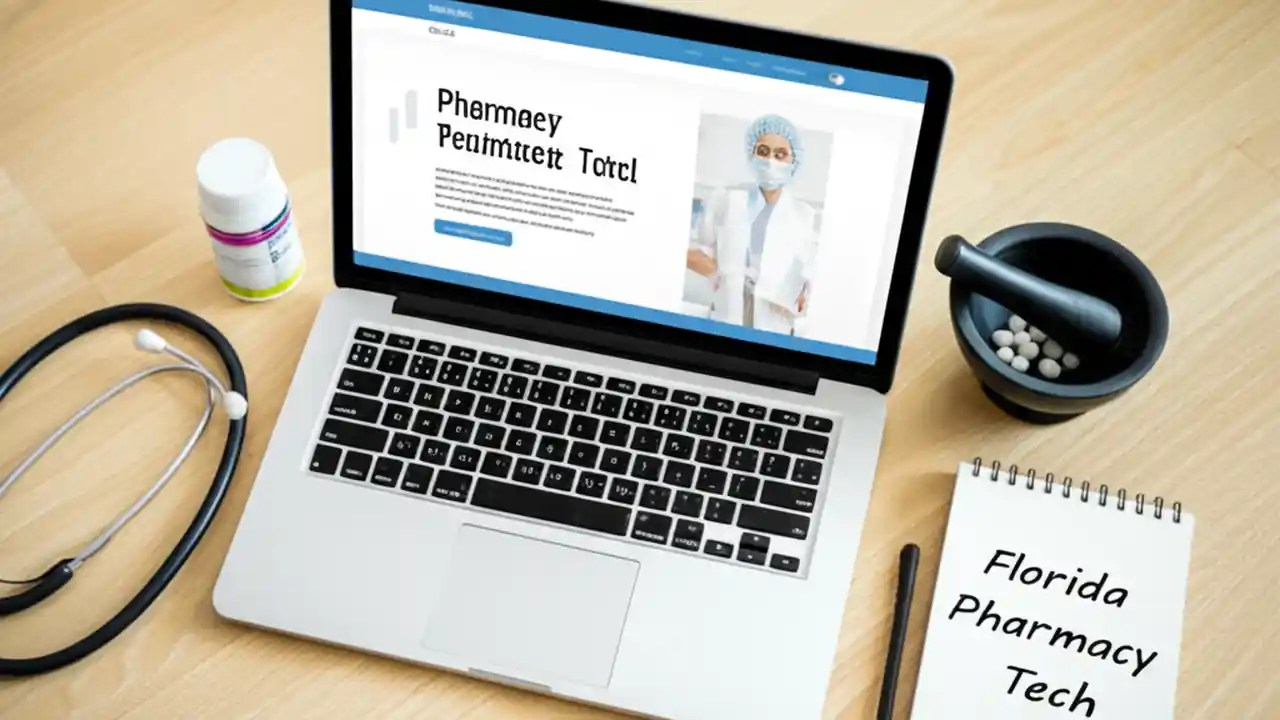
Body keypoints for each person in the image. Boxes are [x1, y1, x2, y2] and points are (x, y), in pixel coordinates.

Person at [687, 114, 819, 334]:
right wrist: (722, 275)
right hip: (725, 316)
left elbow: (810, 275)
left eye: (780, 154)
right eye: (763, 152)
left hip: (776, 325)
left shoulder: (804, 215)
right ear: (752, 154)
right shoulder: (727, 199)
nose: (770, 161)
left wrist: (799, 296)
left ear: (793, 160)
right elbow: (699, 252)